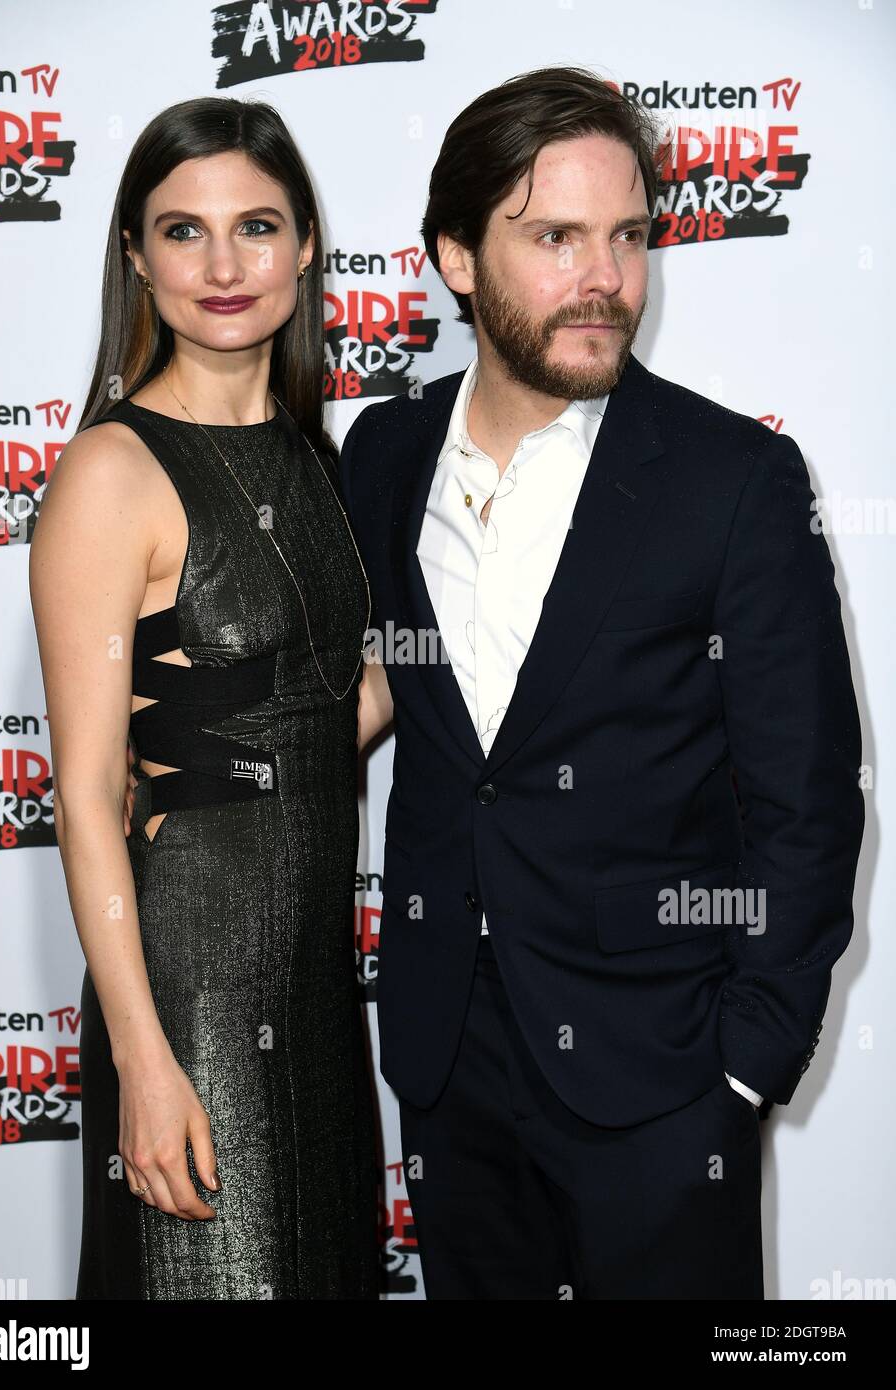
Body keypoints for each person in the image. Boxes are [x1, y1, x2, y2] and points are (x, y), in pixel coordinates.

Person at [340, 67, 865, 1298]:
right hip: (446, 1062)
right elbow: (385, 700)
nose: (605, 279)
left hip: (664, 1078)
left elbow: (808, 800)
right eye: (556, 237)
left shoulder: (734, 480)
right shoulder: (384, 451)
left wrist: (741, 1066)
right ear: (456, 258)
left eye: (628, 237)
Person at [29, 96, 379, 1300]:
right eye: (184, 232)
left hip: (321, 1005)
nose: (224, 266)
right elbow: (82, 795)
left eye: (257, 227)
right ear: (135, 254)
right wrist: (144, 1054)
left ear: (306, 246)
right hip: (191, 999)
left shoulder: (317, 458)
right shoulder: (111, 471)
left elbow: (334, 706)